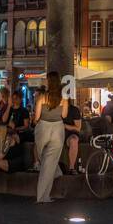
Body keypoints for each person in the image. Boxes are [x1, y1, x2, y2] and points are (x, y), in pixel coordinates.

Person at [32, 71, 69, 203]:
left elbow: (36, 117)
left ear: (49, 81)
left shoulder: (42, 97)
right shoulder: (64, 97)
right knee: (50, 162)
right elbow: (64, 115)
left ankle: (41, 197)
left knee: (44, 159)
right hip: (58, 129)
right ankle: (45, 193)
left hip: (43, 127)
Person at [63, 94, 83, 173]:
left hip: (70, 134)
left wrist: (64, 126)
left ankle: (71, 167)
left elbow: (78, 128)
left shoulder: (74, 110)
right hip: (57, 133)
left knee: (74, 140)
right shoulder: (57, 109)